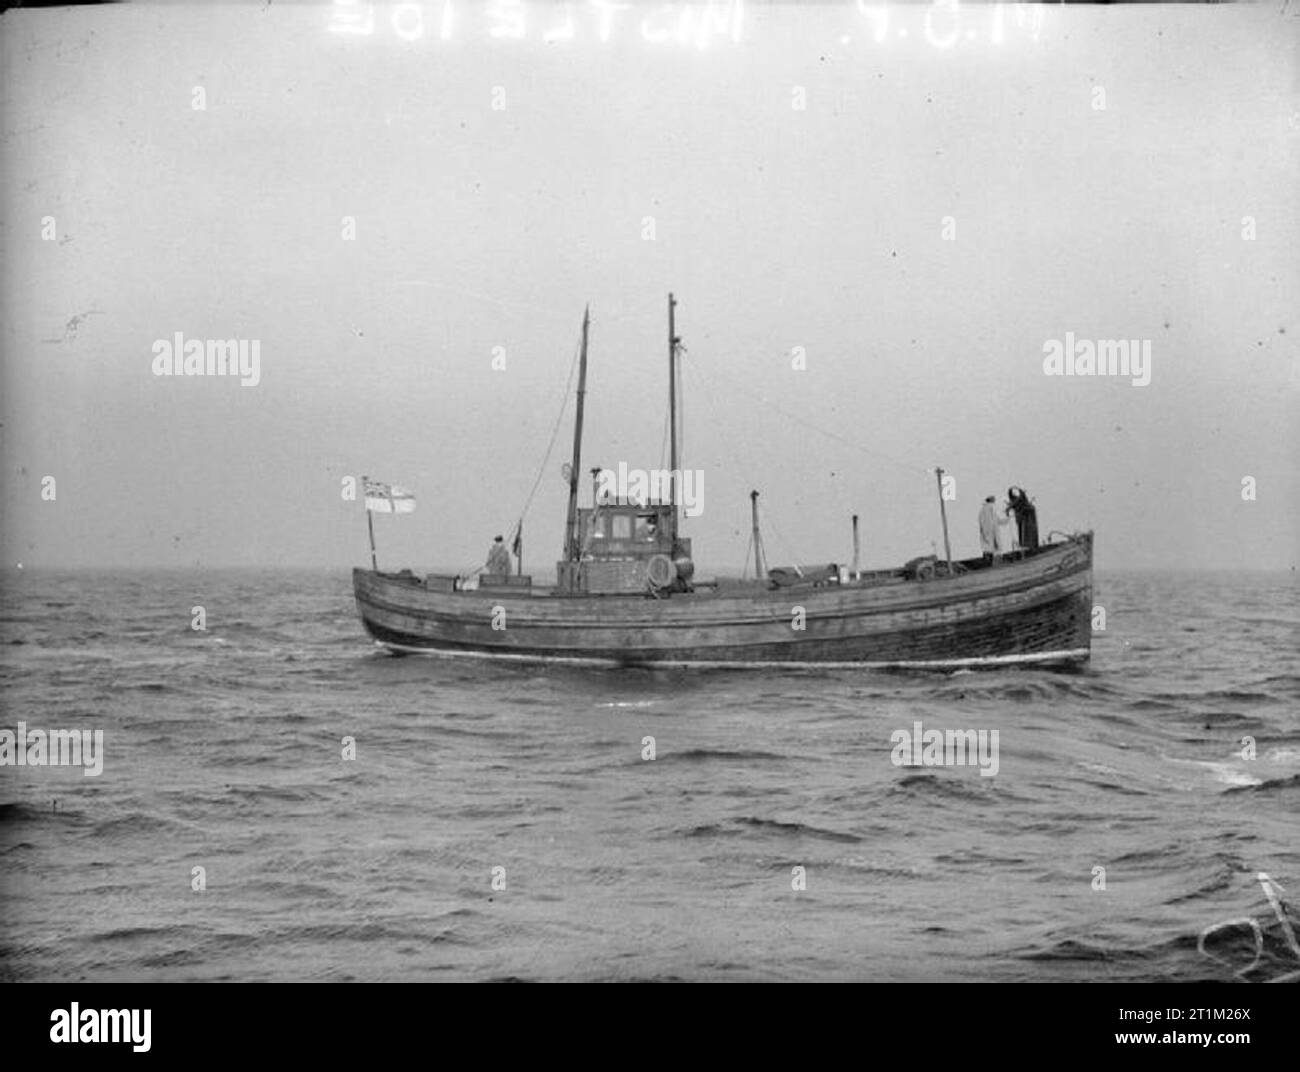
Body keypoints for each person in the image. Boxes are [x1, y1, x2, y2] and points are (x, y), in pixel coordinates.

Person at [1006, 487, 1040, 551]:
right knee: (1023, 535)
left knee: (1029, 534)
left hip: (1028, 517)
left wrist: (1009, 508)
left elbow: (1018, 502)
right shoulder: (1015, 500)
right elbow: (1014, 505)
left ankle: (1031, 547)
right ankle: (1027, 547)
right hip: (1021, 519)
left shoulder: (1021, 500)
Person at [978, 495, 1010, 564]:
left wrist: (1007, 518)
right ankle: (991, 563)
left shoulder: (984, 510)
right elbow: (995, 522)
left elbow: (997, 521)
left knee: (989, 550)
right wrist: (1008, 517)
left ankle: (990, 563)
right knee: (991, 550)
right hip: (990, 534)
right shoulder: (989, 509)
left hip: (988, 535)